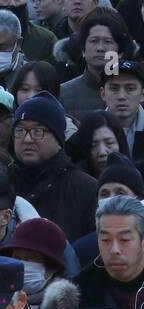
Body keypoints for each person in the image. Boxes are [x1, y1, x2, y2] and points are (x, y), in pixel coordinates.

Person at [9, 93, 97, 240]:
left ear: (58, 139)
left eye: (38, 131)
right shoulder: (4, 182)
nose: (27, 139)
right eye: (20, 130)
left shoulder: (86, 188)